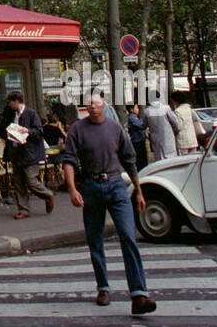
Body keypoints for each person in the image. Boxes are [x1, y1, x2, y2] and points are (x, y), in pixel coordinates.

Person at [61, 93, 156, 315]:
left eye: (96, 103)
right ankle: (103, 287)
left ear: (104, 105)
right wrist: (72, 189)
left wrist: (139, 192)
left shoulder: (115, 128)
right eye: (89, 104)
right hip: (91, 187)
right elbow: (69, 161)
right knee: (95, 239)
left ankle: (139, 294)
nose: (93, 107)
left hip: (116, 184)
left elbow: (129, 161)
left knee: (128, 235)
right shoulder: (77, 130)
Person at [0, 90, 54, 219]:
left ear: (16, 101)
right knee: (18, 183)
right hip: (16, 151)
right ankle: (23, 209)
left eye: (10, 102)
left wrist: (27, 131)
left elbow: (39, 131)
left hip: (29, 152)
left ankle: (47, 195)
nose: (9, 105)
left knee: (31, 181)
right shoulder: (10, 114)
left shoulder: (31, 113)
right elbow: (1, 128)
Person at [126, 103, 150, 172]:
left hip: (140, 140)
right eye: (136, 108)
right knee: (141, 160)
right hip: (137, 141)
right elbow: (140, 125)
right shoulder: (132, 117)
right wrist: (145, 121)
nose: (138, 110)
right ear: (131, 110)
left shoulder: (135, 117)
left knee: (143, 159)